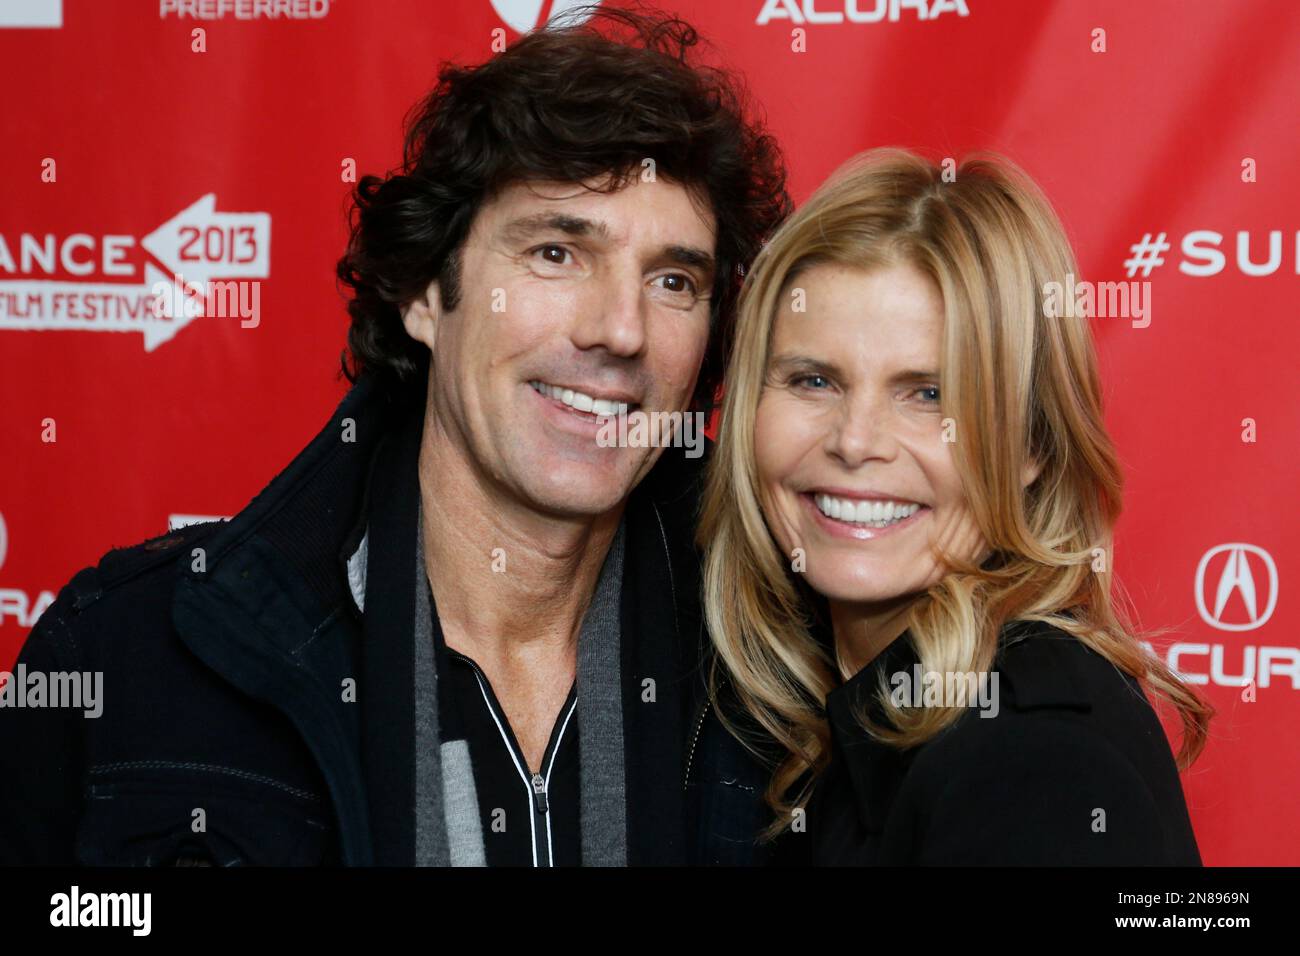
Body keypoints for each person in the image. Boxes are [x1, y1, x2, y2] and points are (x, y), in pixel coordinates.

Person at [0, 7, 790, 866]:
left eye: (674, 279)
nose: (621, 330)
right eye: (557, 254)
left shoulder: (774, 675)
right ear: (424, 294)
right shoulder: (128, 658)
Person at [697, 147, 1214, 865]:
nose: (855, 441)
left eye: (930, 394)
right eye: (814, 381)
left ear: (1033, 443)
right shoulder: (843, 706)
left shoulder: (1035, 761)